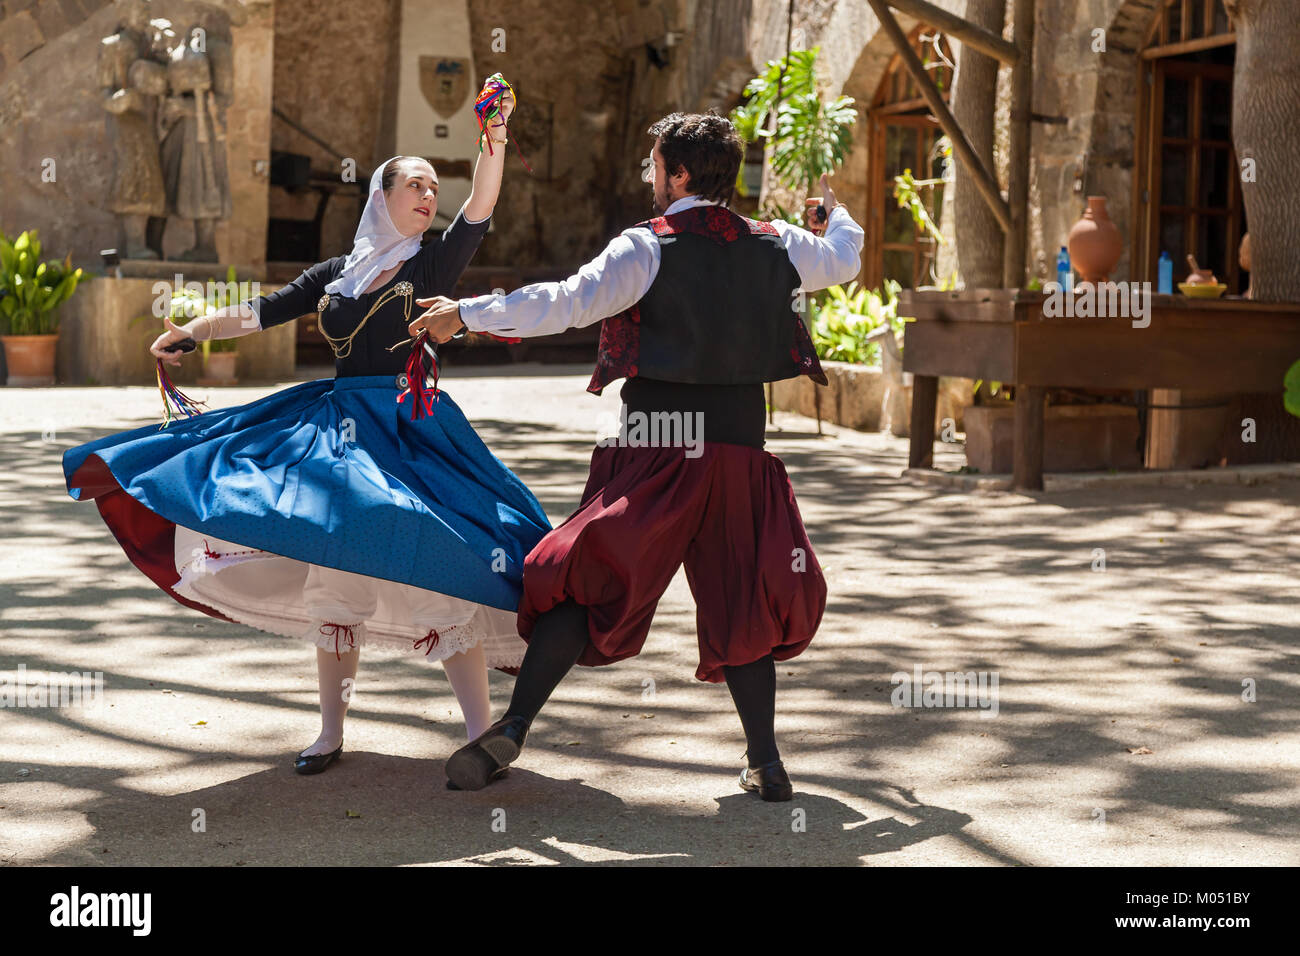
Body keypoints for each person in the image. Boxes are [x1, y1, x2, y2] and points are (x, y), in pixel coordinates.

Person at [63, 78, 551, 782]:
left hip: (411, 426)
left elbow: (481, 206)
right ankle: (329, 733)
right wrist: (192, 332)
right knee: (333, 571)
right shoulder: (335, 277)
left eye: (432, 188)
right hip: (337, 431)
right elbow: (261, 312)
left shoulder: (433, 262)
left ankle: (483, 735)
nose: (427, 195)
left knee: (445, 563)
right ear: (380, 197)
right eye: (413, 184)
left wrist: (494, 140)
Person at [412, 110, 864, 800]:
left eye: (655, 164)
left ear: (678, 173)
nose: (650, 176)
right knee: (744, 597)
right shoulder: (782, 243)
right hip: (743, 449)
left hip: (658, 448)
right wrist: (836, 212)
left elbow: (567, 304)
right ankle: (766, 763)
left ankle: (515, 724)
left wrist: (466, 313)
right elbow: (847, 257)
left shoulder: (646, 246)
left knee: (583, 576)